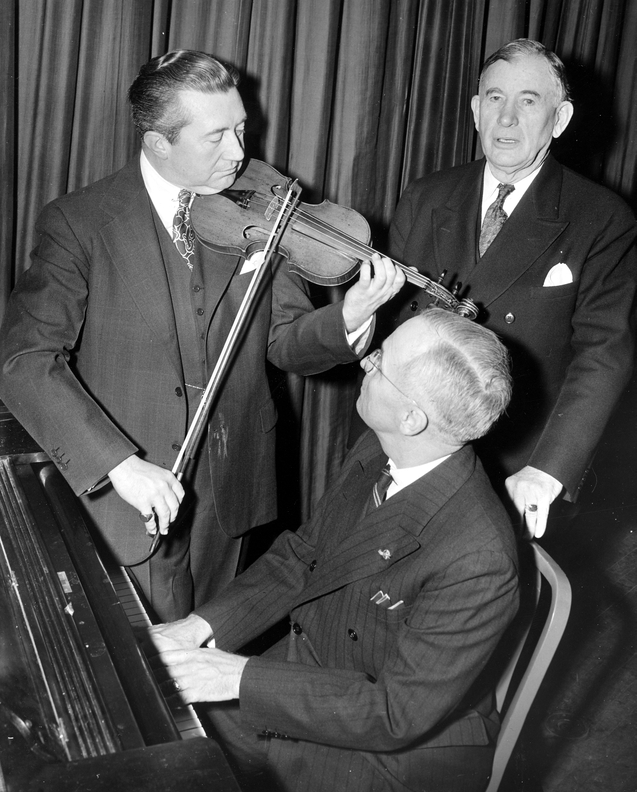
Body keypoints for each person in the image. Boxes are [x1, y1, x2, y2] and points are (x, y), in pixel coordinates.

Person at [0, 50, 404, 622]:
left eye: (242, 129)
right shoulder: (80, 223)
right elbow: (24, 360)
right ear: (158, 142)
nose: (239, 153)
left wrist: (348, 318)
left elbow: (285, 339)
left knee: (206, 652)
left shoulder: (263, 206)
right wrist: (120, 465)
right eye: (216, 137)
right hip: (129, 498)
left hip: (230, 486)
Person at [143, 308, 519, 792]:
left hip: (391, 757)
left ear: (412, 418)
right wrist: (199, 628)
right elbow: (303, 556)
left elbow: (392, 714)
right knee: (158, 734)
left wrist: (237, 678)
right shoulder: (378, 450)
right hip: (317, 672)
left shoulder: (479, 558)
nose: (365, 363)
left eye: (380, 362)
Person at [386, 39, 637, 539]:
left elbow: (604, 354)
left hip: (519, 461)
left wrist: (550, 469)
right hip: (412, 442)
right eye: (495, 99)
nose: (507, 119)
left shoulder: (603, 218)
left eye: (528, 101)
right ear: (477, 110)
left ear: (560, 119)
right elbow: (393, 323)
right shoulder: (424, 196)